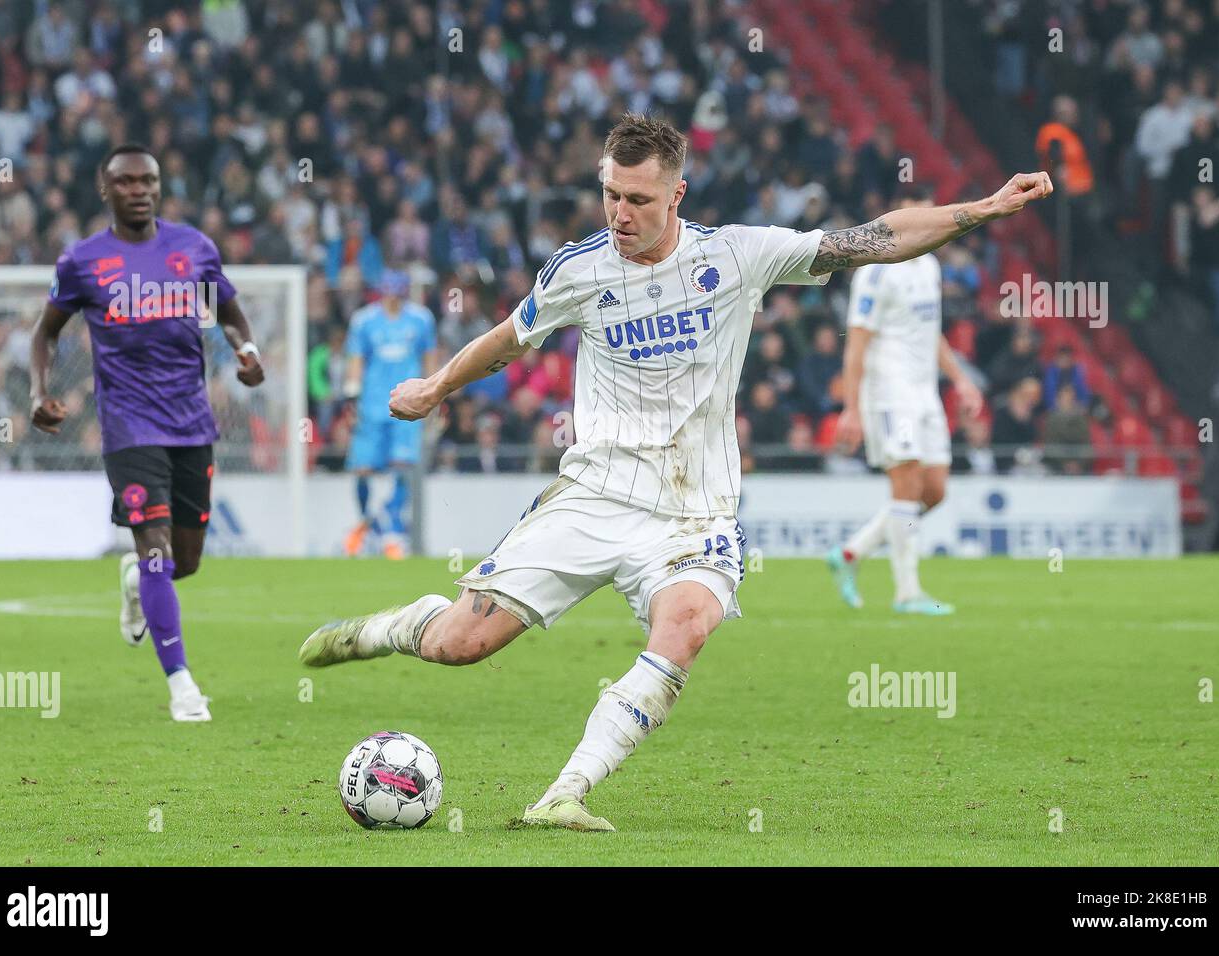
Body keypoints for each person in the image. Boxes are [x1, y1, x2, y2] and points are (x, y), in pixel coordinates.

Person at [299, 113, 1051, 830]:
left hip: (695, 512)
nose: (619, 213)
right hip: (593, 494)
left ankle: (563, 795)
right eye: (609, 194)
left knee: (688, 623)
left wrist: (981, 210)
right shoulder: (580, 269)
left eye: (637, 199)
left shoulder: (737, 256)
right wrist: (436, 388)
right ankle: (384, 629)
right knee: (459, 644)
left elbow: (876, 239)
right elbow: (508, 338)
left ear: (676, 195)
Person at [30, 143, 265, 722]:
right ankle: (182, 684)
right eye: (127, 181)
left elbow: (229, 311)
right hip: (128, 428)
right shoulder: (83, 261)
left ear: (159, 187)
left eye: (149, 180)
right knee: (156, 549)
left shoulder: (194, 248)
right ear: (105, 189)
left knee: (182, 562)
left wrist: (247, 349)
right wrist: (38, 392)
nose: (139, 189)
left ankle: (137, 581)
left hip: (191, 422)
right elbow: (45, 334)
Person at [824, 189, 984, 615]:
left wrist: (961, 381)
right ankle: (908, 593)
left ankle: (851, 552)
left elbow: (931, 334)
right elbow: (856, 343)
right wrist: (852, 408)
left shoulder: (930, 265)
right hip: (889, 390)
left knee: (934, 491)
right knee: (907, 483)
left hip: (924, 390)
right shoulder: (875, 270)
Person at [342, 270, 439, 558]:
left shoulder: (421, 319)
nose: (393, 294)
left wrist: (434, 395)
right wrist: (351, 395)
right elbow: (356, 360)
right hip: (372, 404)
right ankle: (364, 521)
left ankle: (393, 532)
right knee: (362, 470)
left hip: (407, 405)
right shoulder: (364, 320)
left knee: (402, 467)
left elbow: (429, 359)